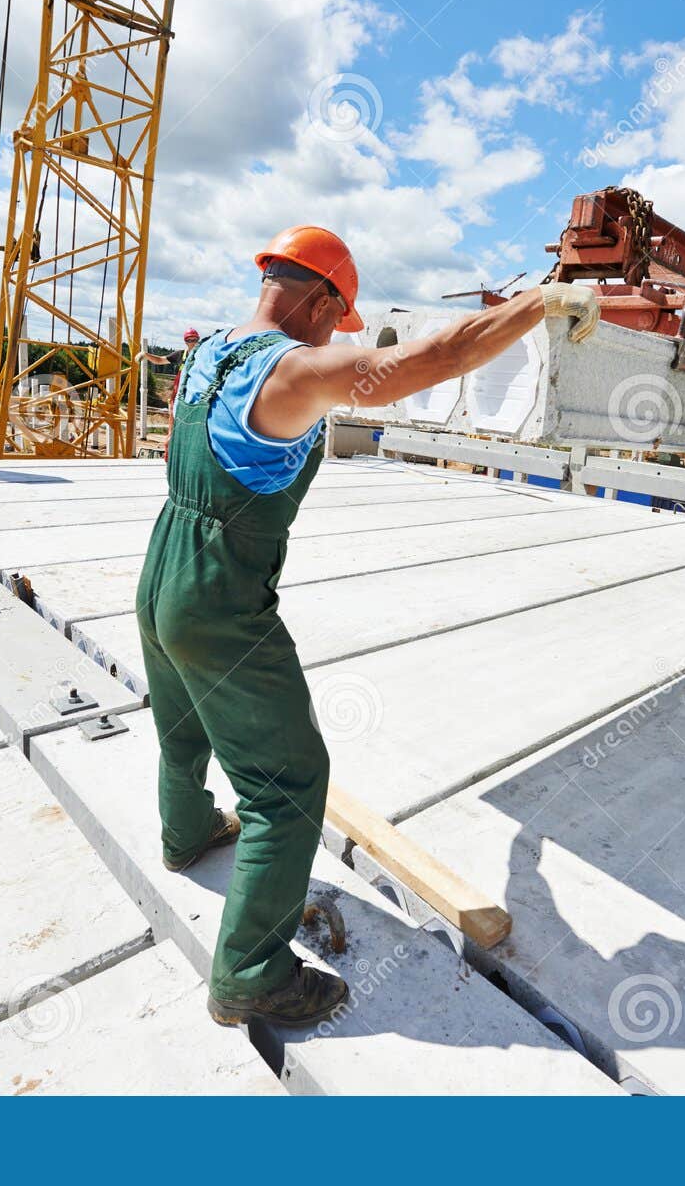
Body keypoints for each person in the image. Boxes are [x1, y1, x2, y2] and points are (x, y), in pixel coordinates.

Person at [135, 224, 600, 1027]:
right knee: (286, 786)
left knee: (185, 724)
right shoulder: (293, 368)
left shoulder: (208, 352)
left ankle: (184, 832)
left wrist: (531, 853)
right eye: (338, 320)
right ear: (320, 303)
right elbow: (434, 360)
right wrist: (539, 302)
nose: (336, 336)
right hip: (221, 597)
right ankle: (249, 971)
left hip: (160, 571)